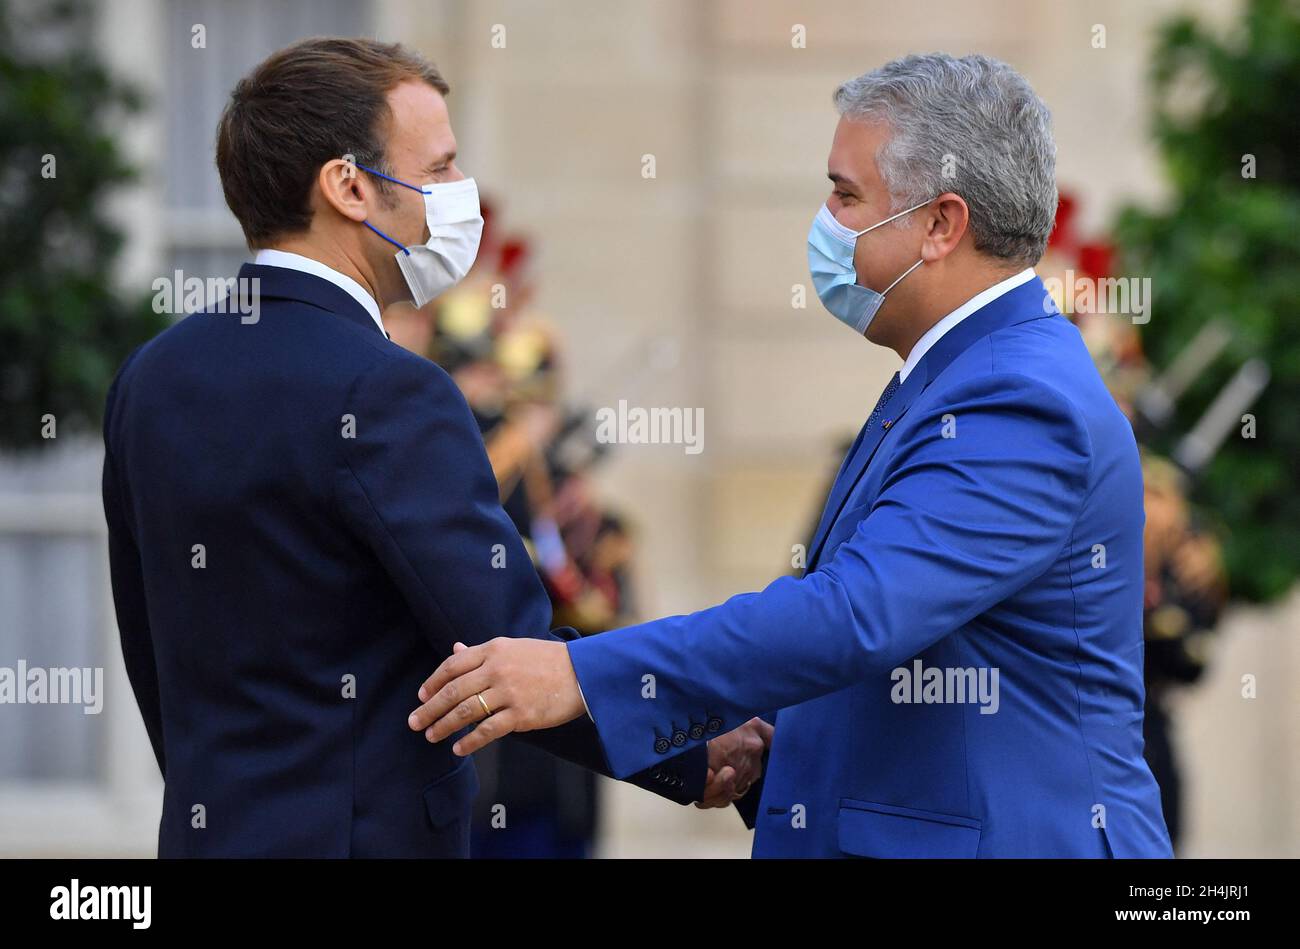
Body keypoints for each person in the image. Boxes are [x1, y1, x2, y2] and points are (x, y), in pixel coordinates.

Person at [410, 53, 1174, 858]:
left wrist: (581, 676)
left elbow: (855, 613)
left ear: (942, 224)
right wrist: (770, 738)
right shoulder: (959, 372)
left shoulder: (1015, 395)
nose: (825, 221)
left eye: (847, 195)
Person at [101, 37, 767, 858]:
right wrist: (695, 752)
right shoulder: (392, 390)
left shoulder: (152, 376)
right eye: (443, 168)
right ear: (348, 187)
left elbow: (151, 653)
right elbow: (502, 648)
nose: (459, 198)